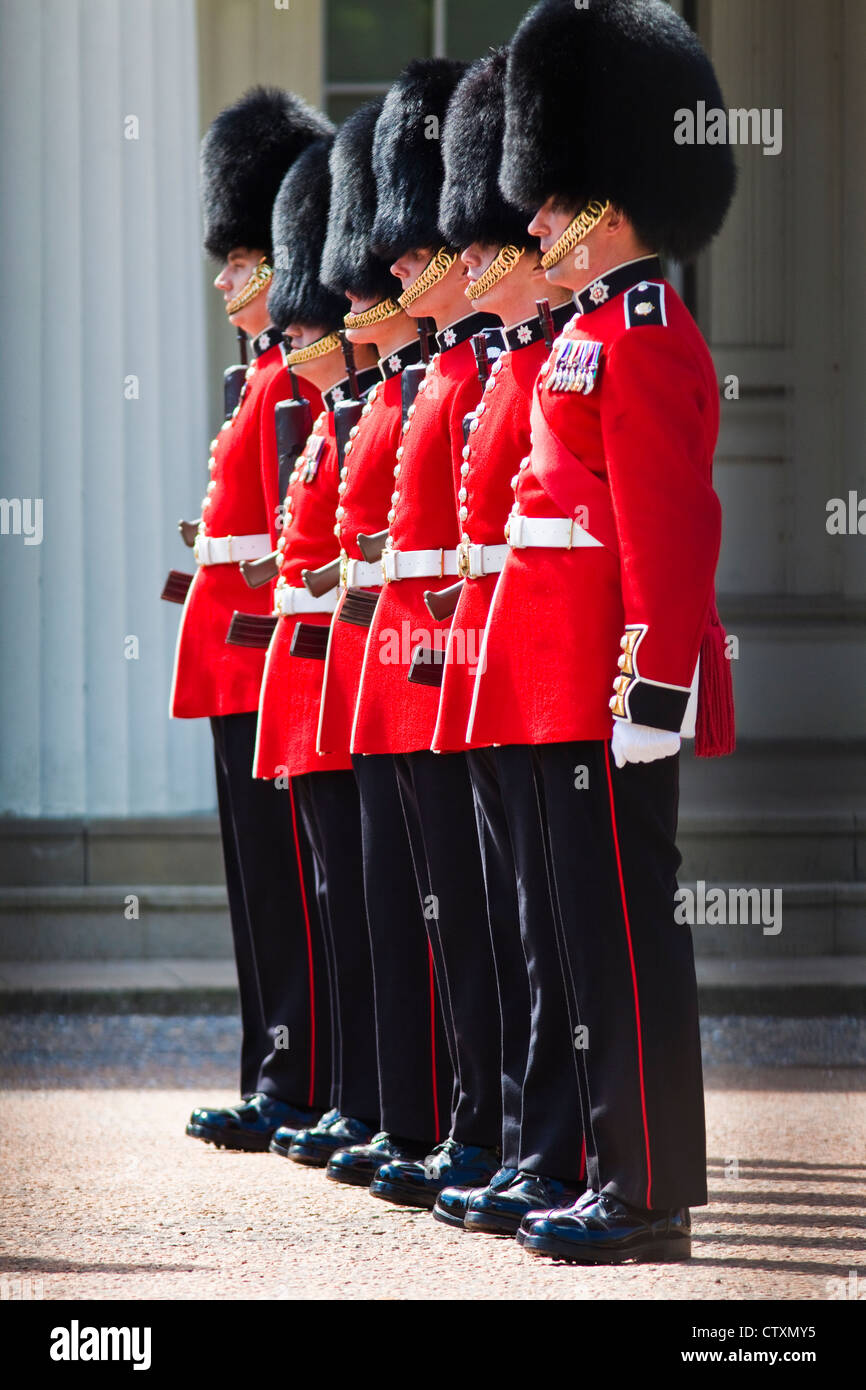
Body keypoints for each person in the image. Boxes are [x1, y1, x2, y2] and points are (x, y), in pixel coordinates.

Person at [469, 0, 736, 1262]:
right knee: (580, 936)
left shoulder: (636, 336)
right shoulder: (580, 335)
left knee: (626, 939)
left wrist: (657, 692)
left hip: (609, 688)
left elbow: (668, 532)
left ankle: (647, 1193)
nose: (527, 223)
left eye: (548, 200)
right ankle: (601, 1168)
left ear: (605, 204)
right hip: (553, 680)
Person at [424, 50, 586, 1236]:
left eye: (495, 240)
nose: (480, 254)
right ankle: (522, 1137)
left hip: (549, 659)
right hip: (491, 652)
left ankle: (549, 1142)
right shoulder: (501, 366)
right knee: (512, 913)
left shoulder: (563, 354)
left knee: (543, 918)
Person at [351, 59, 504, 1210]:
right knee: (436, 906)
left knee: (480, 910)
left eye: (413, 253)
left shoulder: (480, 367)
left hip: (467, 662)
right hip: (413, 661)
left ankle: (486, 1121)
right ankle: (458, 1118)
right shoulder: (436, 371)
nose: (398, 269)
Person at [172, 88, 335, 1151]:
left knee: (294, 891)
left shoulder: (300, 380)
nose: (225, 278)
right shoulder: (257, 378)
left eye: (242, 260)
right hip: (239, 655)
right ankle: (271, 1067)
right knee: (258, 890)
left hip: (275, 656)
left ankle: (299, 1077)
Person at [314, 100, 455, 1185]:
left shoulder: (440, 383)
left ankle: (446, 1117)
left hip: (444, 663)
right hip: (384, 656)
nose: (368, 290)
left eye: (398, 260)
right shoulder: (387, 395)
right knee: (386, 901)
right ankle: (398, 1107)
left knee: (449, 910)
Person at [250, 136, 383, 1165]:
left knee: (399, 906)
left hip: (389, 667)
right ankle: (356, 1092)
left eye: (313, 317)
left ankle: (407, 1106)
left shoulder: (381, 402)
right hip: (319, 664)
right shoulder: (343, 410)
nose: (298, 333)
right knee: (342, 893)